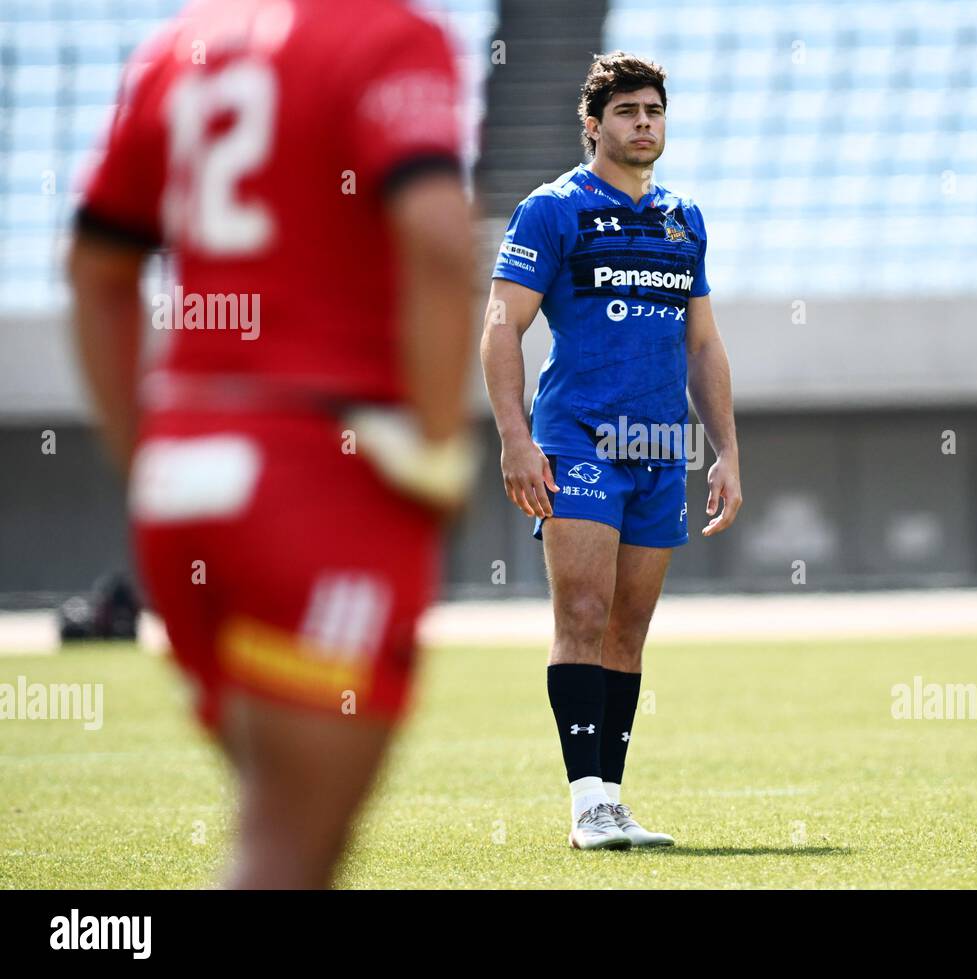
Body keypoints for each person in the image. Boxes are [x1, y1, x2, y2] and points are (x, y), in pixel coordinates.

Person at [68, 0, 477, 888]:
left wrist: (147, 454)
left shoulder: (175, 49)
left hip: (183, 484)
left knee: (284, 834)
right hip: (319, 475)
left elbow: (96, 267)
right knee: (284, 856)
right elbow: (443, 245)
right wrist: (439, 449)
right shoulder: (387, 35)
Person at [481, 52, 742, 850]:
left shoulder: (684, 218)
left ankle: (614, 798)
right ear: (594, 125)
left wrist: (727, 449)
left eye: (654, 111)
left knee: (629, 627)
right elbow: (502, 324)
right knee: (583, 614)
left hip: (662, 445)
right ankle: (584, 802)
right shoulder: (551, 210)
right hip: (577, 439)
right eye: (628, 111)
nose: (644, 124)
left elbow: (703, 345)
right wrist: (515, 437)